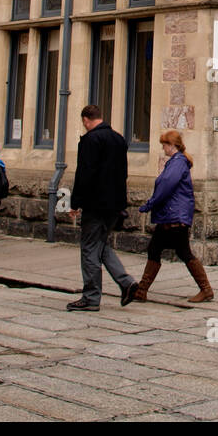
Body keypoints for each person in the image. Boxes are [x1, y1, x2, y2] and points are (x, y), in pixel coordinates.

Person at [66, 105, 138, 311]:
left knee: (89, 248)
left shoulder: (91, 140)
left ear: (87, 120)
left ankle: (91, 296)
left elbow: (84, 174)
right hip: (114, 204)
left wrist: (75, 203)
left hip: (95, 204)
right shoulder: (118, 139)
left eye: (84, 123)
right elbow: (123, 173)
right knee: (100, 245)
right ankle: (126, 283)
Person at [133, 129, 212, 303]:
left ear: (172, 145)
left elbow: (166, 186)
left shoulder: (177, 163)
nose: (163, 149)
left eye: (164, 145)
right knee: (156, 249)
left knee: (182, 252)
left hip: (174, 217)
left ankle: (206, 290)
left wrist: (149, 204)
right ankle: (141, 290)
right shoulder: (177, 162)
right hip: (172, 216)